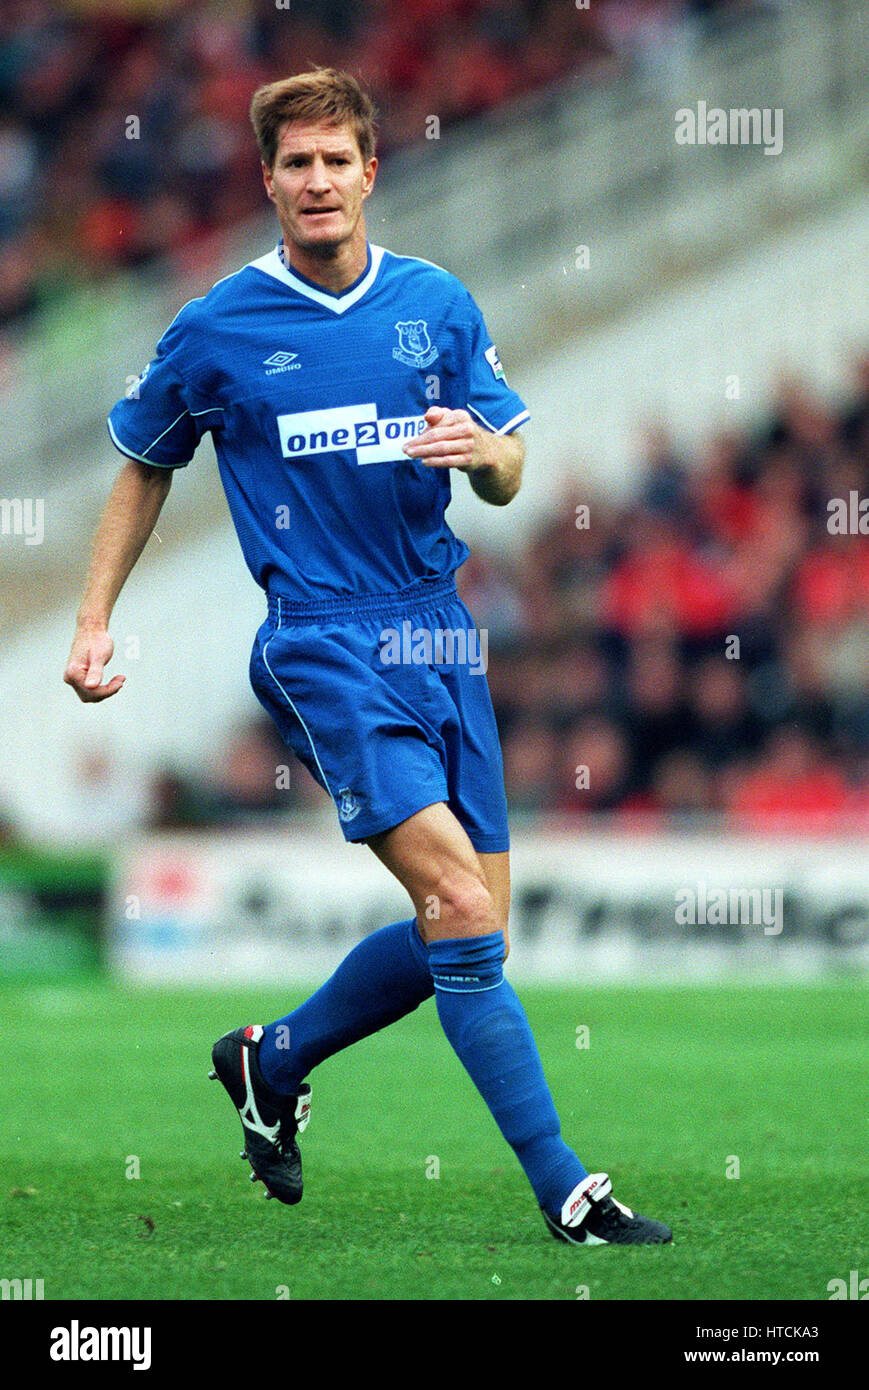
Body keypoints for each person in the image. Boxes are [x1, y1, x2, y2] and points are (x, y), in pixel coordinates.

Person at [64, 68, 671, 1247]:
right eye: (295, 162)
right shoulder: (217, 325)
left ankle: (269, 1057)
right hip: (321, 638)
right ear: (268, 179)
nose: (317, 180)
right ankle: (567, 1189)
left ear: (370, 170)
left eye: (336, 159)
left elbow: (506, 473)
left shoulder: (434, 304)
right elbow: (145, 460)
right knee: (453, 898)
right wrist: (94, 618)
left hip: (437, 627)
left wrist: (484, 449)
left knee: (472, 925)